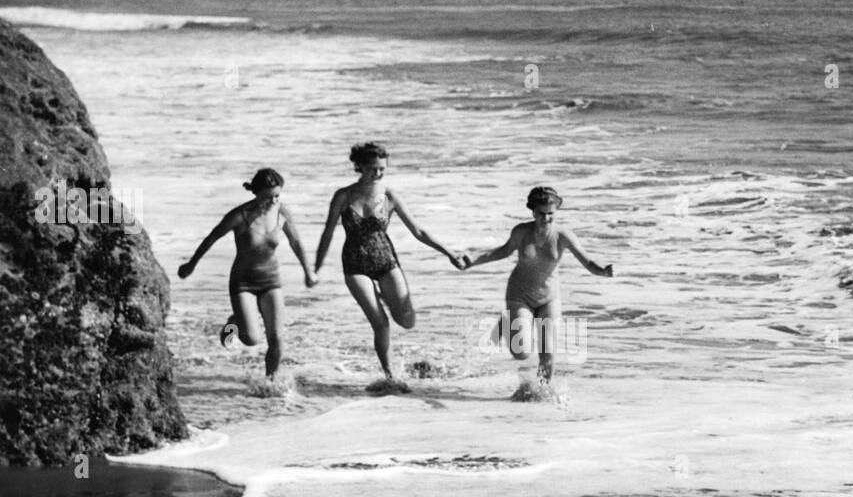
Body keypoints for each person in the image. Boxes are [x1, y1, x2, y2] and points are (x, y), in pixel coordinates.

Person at [314, 142, 466, 390]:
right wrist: (315, 269)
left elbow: (418, 231)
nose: (378, 173)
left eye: (382, 168)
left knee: (407, 321)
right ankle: (390, 375)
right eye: (372, 168)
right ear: (359, 166)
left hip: (386, 260)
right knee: (381, 323)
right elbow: (327, 233)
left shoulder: (389, 196)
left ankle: (386, 297)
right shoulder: (343, 195)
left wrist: (448, 252)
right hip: (355, 264)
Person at [462, 185, 612, 389]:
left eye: (551, 214)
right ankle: (506, 322)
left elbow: (587, 261)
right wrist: (473, 261)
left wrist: (602, 271)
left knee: (548, 352)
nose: (546, 218)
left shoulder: (563, 236)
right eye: (541, 214)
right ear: (532, 211)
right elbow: (503, 251)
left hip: (549, 297)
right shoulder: (522, 231)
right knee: (521, 351)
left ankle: (541, 392)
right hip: (520, 295)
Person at [177, 168, 316, 381]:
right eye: (268, 196)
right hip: (243, 283)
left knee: (277, 338)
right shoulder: (239, 216)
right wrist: (192, 264)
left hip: (271, 281)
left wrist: (308, 271)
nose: (273, 200)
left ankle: (271, 382)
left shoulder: (281, 212)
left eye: (277, 195)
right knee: (252, 339)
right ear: (256, 192)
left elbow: (296, 242)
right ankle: (233, 322)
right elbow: (211, 238)